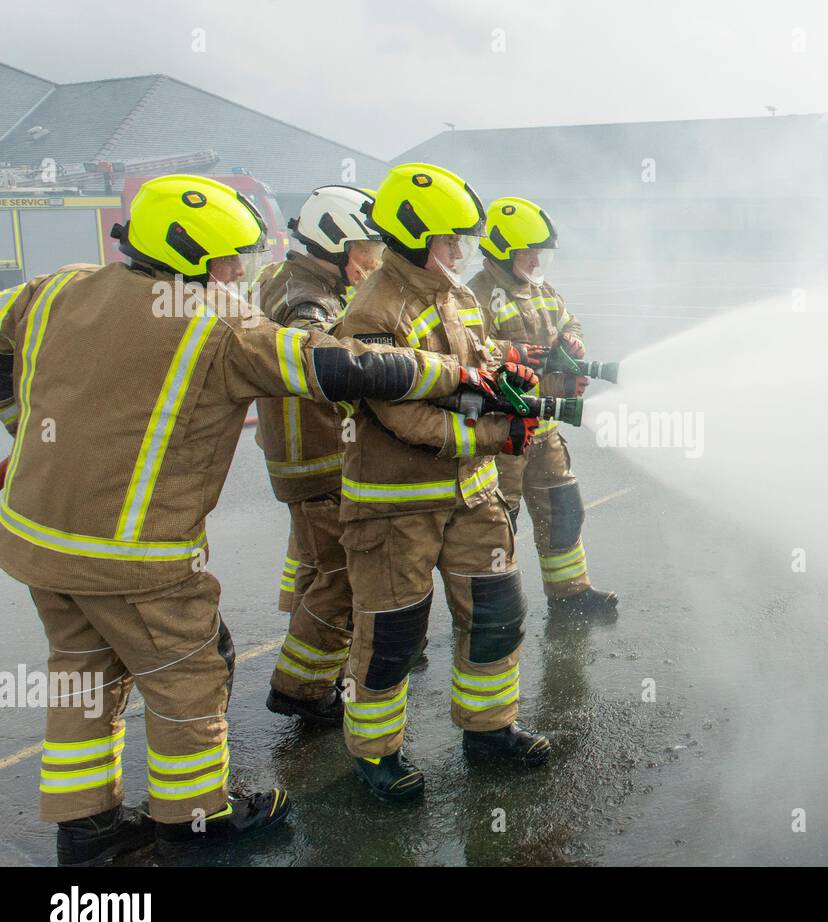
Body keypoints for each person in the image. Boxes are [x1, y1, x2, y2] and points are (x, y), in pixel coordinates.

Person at [0, 174, 483, 864]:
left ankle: (88, 829)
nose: (239, 274)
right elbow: (337, 366)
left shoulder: (53, 289)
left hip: (36, 542)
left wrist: (21, 430)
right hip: (137, 557)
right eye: (231, 260)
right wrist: (451, 375)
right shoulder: (218, 326)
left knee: (85, 672)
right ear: (195, 257)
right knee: (192, 673)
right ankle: (196, 825)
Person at [333, 163, 551, 802]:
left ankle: (489, 731)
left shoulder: (455, 293)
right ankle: (376, 756)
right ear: (412, 235)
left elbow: (473, 366)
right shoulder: (373, 310)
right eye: (450, 238)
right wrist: (496, 436)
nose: (461, 250)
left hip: (472, 495)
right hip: (396, 506)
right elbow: (402, 415)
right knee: (392, 635)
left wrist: (508, 377)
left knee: (496, 614)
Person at [254, 185, 385, 724]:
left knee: (318, 568)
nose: (370, 262)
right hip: (319, 457)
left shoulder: (291, 277)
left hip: (303, 455)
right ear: (332, 241)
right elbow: (323, 360)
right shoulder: (305, 299)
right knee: (342, 576)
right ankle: (301, 688)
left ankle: (316, 670)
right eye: (363, 250)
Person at [468, 198, 617, 620]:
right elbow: (470, 352)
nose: (536, 261)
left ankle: (570, 594)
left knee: (564, 508)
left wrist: (572, 339)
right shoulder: (476, 296)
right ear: (501, 249)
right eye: (528, 253)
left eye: (541, 253)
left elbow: (569, 321)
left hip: (545, 427)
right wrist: (512, 352)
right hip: (503, 436)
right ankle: (496, 610)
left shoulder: (543, 291)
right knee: (500, 525)